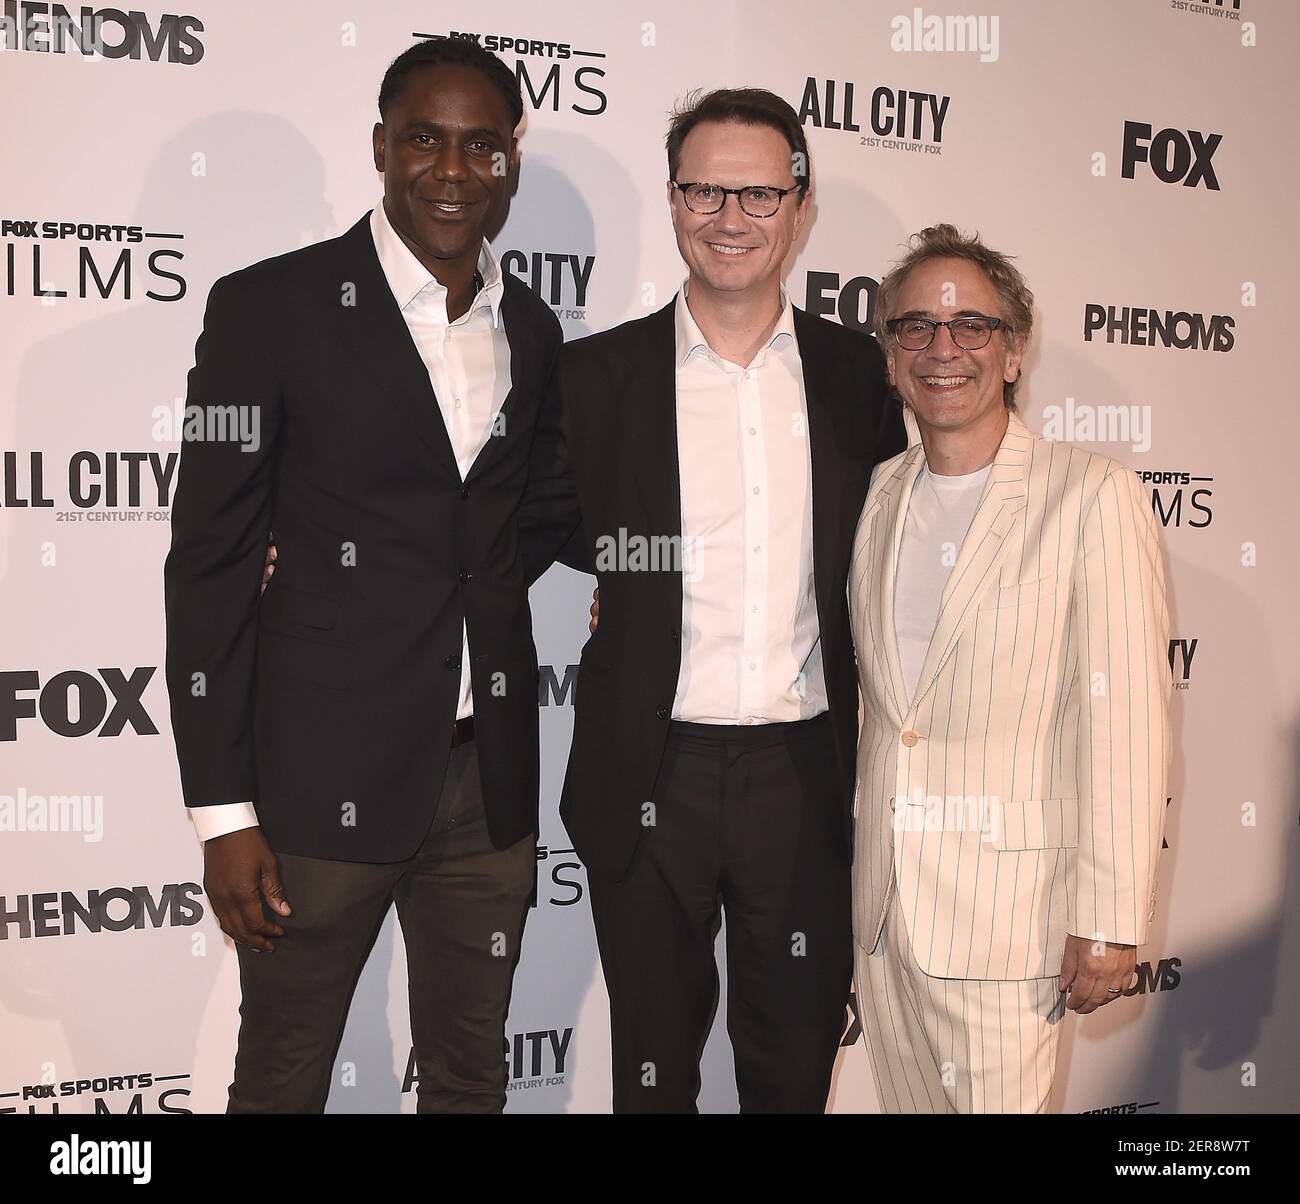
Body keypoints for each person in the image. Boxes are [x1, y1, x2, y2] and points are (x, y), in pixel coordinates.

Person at [164, 38, 565, 1113]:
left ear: (507, 165)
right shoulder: (269, 310)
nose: (450, 168)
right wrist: (221, 811)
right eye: (424, 139)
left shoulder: (529, 325)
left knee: (471, 1074)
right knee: (286, 1073)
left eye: (480, 145)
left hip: (488, 788)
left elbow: (513, 523)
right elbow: (207, 561)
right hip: (312, 785)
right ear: (381, 147)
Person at [519, 88, 906, 1112]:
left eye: (756, 193)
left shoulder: (857, 374)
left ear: (798, 202)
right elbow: (532, 518)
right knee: (651, 1074)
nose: (729, 218)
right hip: (651, 770)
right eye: (704, 191)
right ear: (673, 198)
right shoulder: (594, 374)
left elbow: (897, 540)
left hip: (804, 774)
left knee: (790, 1071)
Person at [848, 224, 1171, 1113]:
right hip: (883, 920)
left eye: (972, 327)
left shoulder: (1091, 495)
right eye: (915, 328)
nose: (942, 348)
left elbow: (1126, 723)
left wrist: (1109, 920)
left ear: (1016, 350)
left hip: (1007, 921)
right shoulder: (879, 495)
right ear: (889, 356)